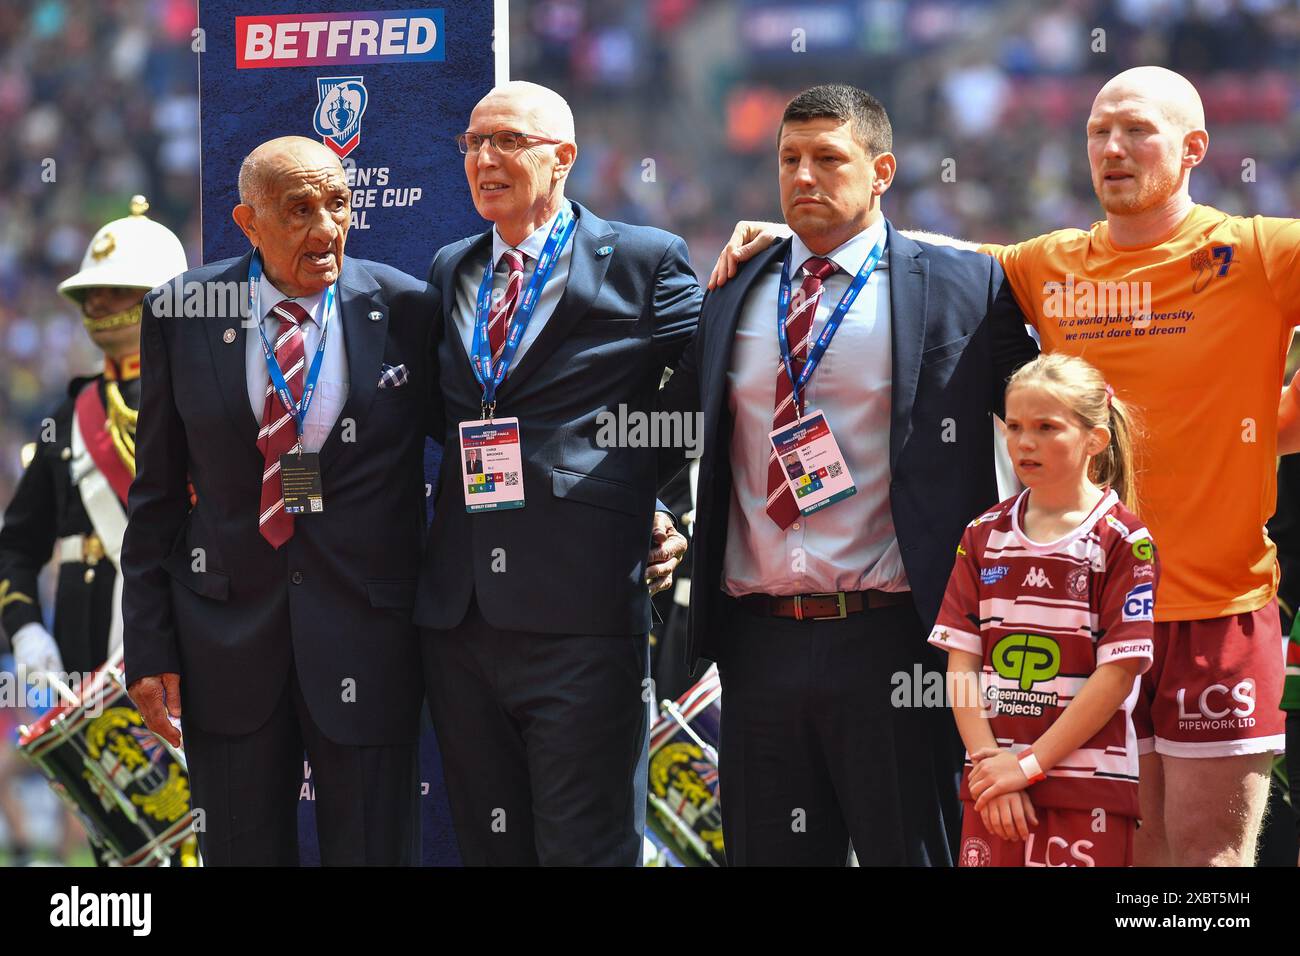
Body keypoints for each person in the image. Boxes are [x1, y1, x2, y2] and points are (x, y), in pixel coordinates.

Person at [718, 65, 1295, 867]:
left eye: (1137, 130)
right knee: (1102, 857)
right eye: (1098, 132)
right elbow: (912, 260)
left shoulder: (1263, 250)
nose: (1113, 148)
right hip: (1066, 618)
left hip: (1210, 610)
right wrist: (786, 234)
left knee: (1205, 868)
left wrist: (1266, 426)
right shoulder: (1042, 265)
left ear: (1196, 146)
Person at [656, 84, 1037, 865]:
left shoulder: (965, 288)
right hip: (754, 645)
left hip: (898, 640)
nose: (803, 176)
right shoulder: (734, 285)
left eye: (829, 159)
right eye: (789, 159)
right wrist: (648, 513)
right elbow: (667, 427)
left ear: (882, 170)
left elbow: (1047, 424)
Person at [121, 136, 436, 866]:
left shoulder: (408, 307)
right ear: (248, 222)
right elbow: (158, 495)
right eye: (299, 211)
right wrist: (149, 646)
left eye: (338, 204)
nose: (326, 229)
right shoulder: (183, 311)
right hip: (224, 644)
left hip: (371, 638)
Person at [417, 81, 695, 866]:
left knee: (587, 851)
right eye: (472, 143)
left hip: (584, 615)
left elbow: (718, 387)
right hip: (463, 618)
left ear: (562, 158)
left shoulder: (642, 260)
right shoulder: (450, 269)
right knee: (490, 848)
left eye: (506, 141)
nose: (483, 159)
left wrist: (671, 509)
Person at [928, 353, 1156, 867]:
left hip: (1086, 792)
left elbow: (1117, 676)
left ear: (1094, 439)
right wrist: (991, 765)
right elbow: (961, 664)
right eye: (1013, 426)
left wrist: (1028, 765)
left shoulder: (1124, 539)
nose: (1024, 442)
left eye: (1046, 427)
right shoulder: (981, 534)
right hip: (993, 789)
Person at [1, 197, 187, 686]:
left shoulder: (201, 397)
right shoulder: (70, 414)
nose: (96, 303)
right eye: (90, 293)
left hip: (184, 660)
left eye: (116, 289)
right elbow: (16, 547)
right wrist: (24, 629)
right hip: (85, 680)